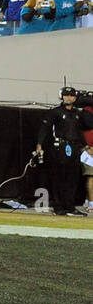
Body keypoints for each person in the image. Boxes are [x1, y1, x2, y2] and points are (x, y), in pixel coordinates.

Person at [36, 87, 93, 216]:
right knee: (59, 177)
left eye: (71, 96)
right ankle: (59, 206)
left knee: (72, 178)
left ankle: (70, 206)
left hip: (74, 148)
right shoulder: (55, 112)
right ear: (62, 96)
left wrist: (85, 146)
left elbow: (79, 132)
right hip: (59, 147)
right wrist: (39, 144)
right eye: (66, 95)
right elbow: (45, 128)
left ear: (75, 98)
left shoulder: (77, 114)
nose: (68, 98)